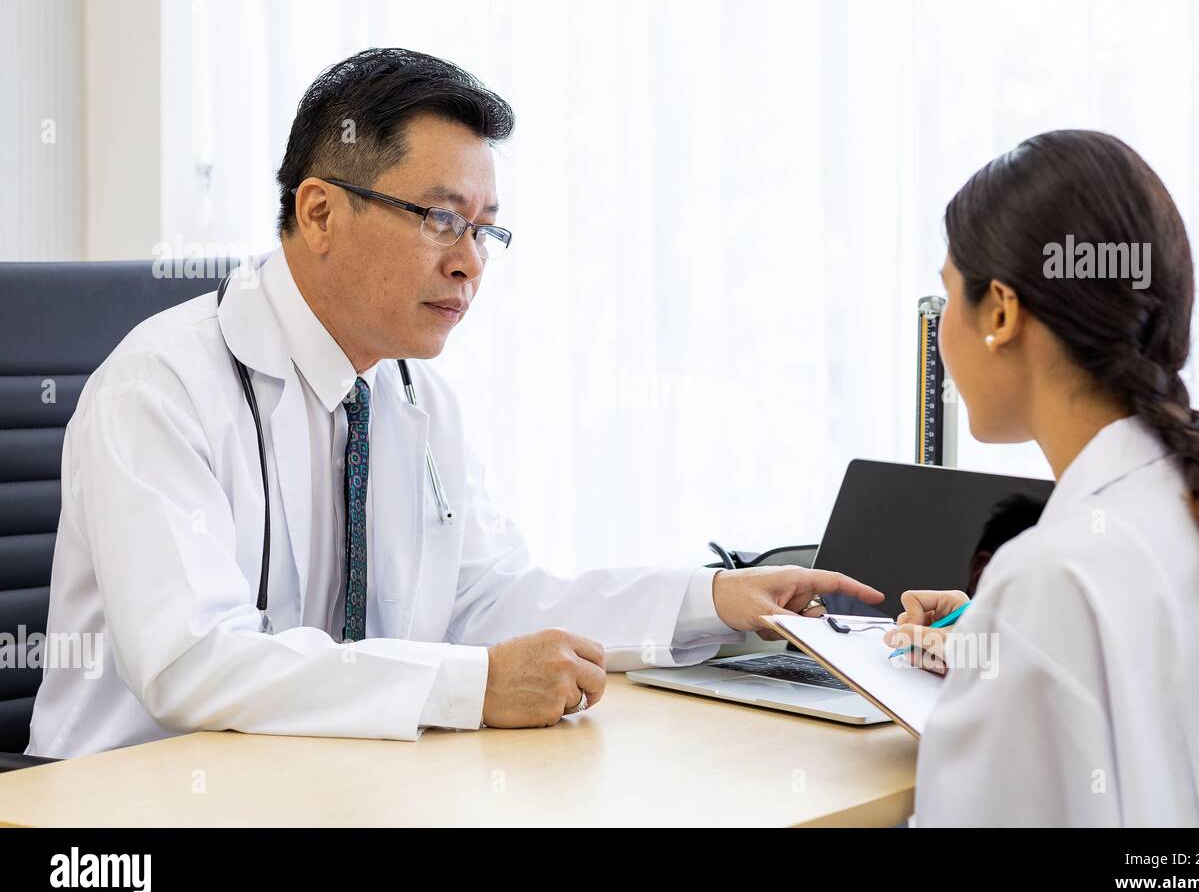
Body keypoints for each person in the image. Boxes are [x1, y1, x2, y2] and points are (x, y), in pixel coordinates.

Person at [27, 49, 881, 758]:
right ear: (318, 212)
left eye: (486, 229)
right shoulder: (162, 389)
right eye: (441, 219)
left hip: (327, 793)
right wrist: (469, 685)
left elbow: (491, 600)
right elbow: (193, 661)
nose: (471, 262)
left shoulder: (411, 394)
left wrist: (715, 602)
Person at [887, 130, 1199, 825]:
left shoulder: (1049, 580)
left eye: (948, 297)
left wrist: (1016, 645)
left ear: (1000, 312)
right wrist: (1004, 655)